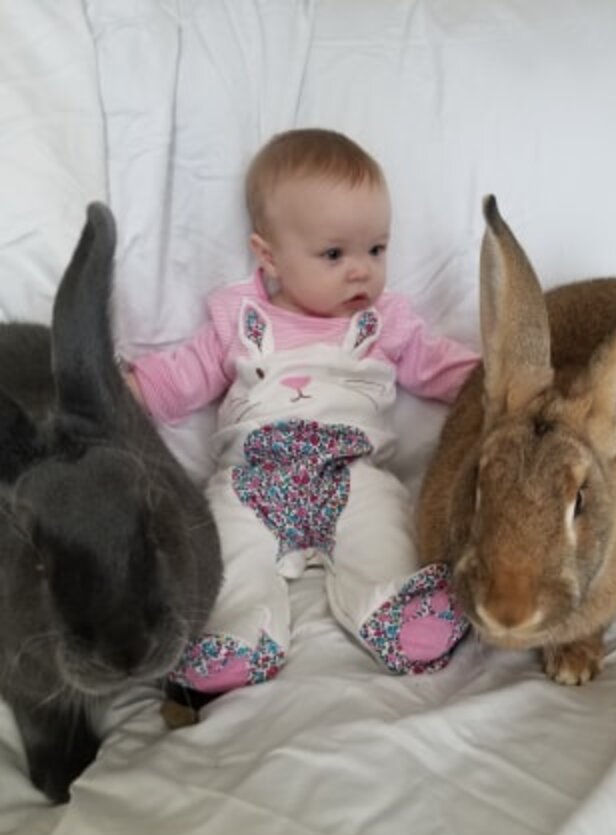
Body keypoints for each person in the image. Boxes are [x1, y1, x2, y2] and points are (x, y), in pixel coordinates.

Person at [125, 128, 479, 702]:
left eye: (377, 249)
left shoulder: (385, 322)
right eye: (335, 254)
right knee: (228, 547)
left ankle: (398, 609)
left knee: (385, 526)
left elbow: (441, 367)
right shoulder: (239, 320)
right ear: (269, 256)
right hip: (250, 477)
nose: (361, 270)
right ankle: (237, 637)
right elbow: (180, 376)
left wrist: (502, 379)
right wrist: (127, 391)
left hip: (349, 471)